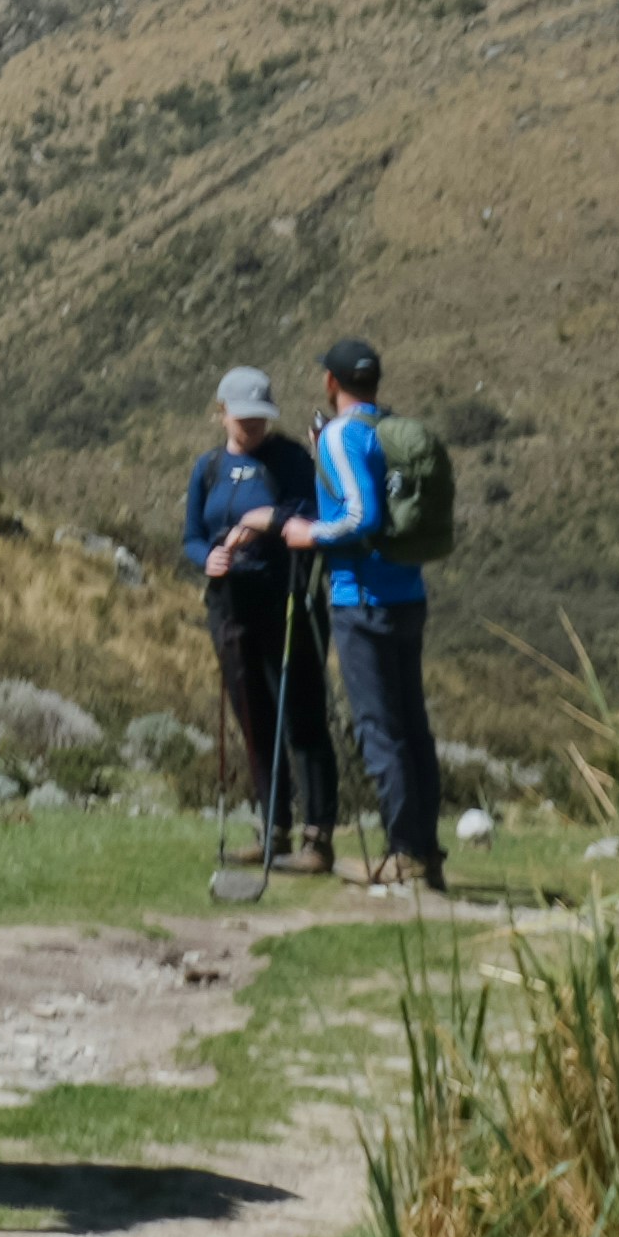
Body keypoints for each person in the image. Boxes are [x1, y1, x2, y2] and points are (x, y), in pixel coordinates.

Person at [269, 334, 444, 892]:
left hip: (360, 600)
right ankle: (424, 851)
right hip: (406, 595)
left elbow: (361, 516)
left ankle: (404, 855)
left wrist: (307, 532)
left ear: (332, 382)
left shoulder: (343, 434)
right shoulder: (387, 429)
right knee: (413, 727)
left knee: (378, 730)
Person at [182, 368, 337, 875]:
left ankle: (317, 837)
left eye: (260, 420)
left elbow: (311, 513)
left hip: (284, 598)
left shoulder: (291, 460)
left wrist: (264, 522)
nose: (252, 428)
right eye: (244, 419)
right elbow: (192, 536)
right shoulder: (207, 469)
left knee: (303, 713)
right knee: (254, 718)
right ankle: (273, 829)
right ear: (221, 412)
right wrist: (209, 559)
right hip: (229, 604)